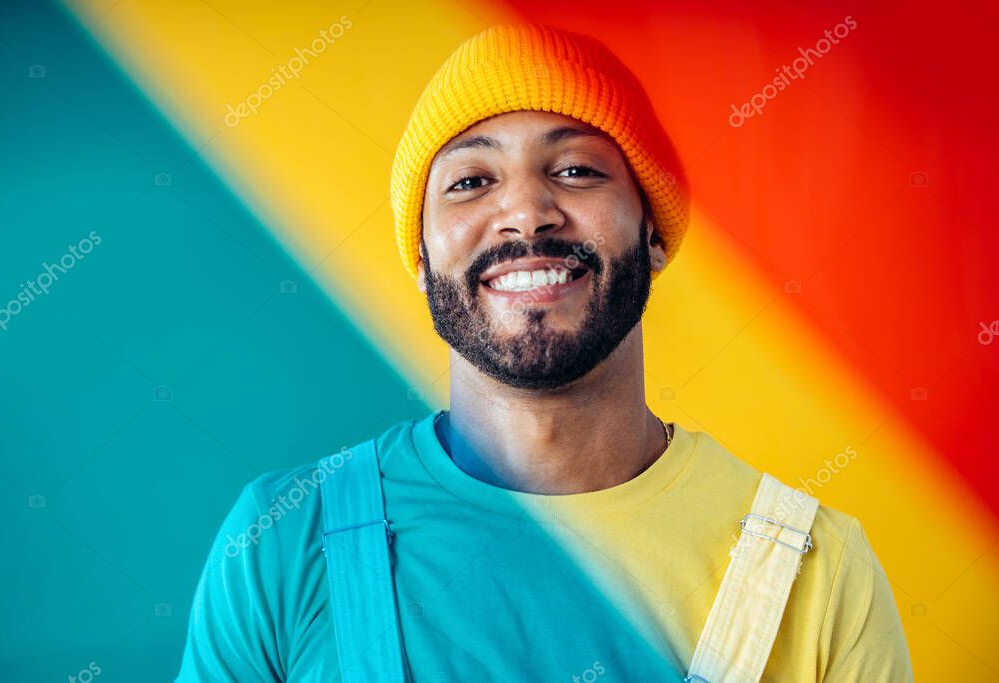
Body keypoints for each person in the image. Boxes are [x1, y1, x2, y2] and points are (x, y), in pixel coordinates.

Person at [176, 23, 913, 682]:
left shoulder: (819, 570)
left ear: (652, 233)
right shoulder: (284, 539)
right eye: (470, 181)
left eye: (576, 170)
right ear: (425, 257)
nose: (526, 211)